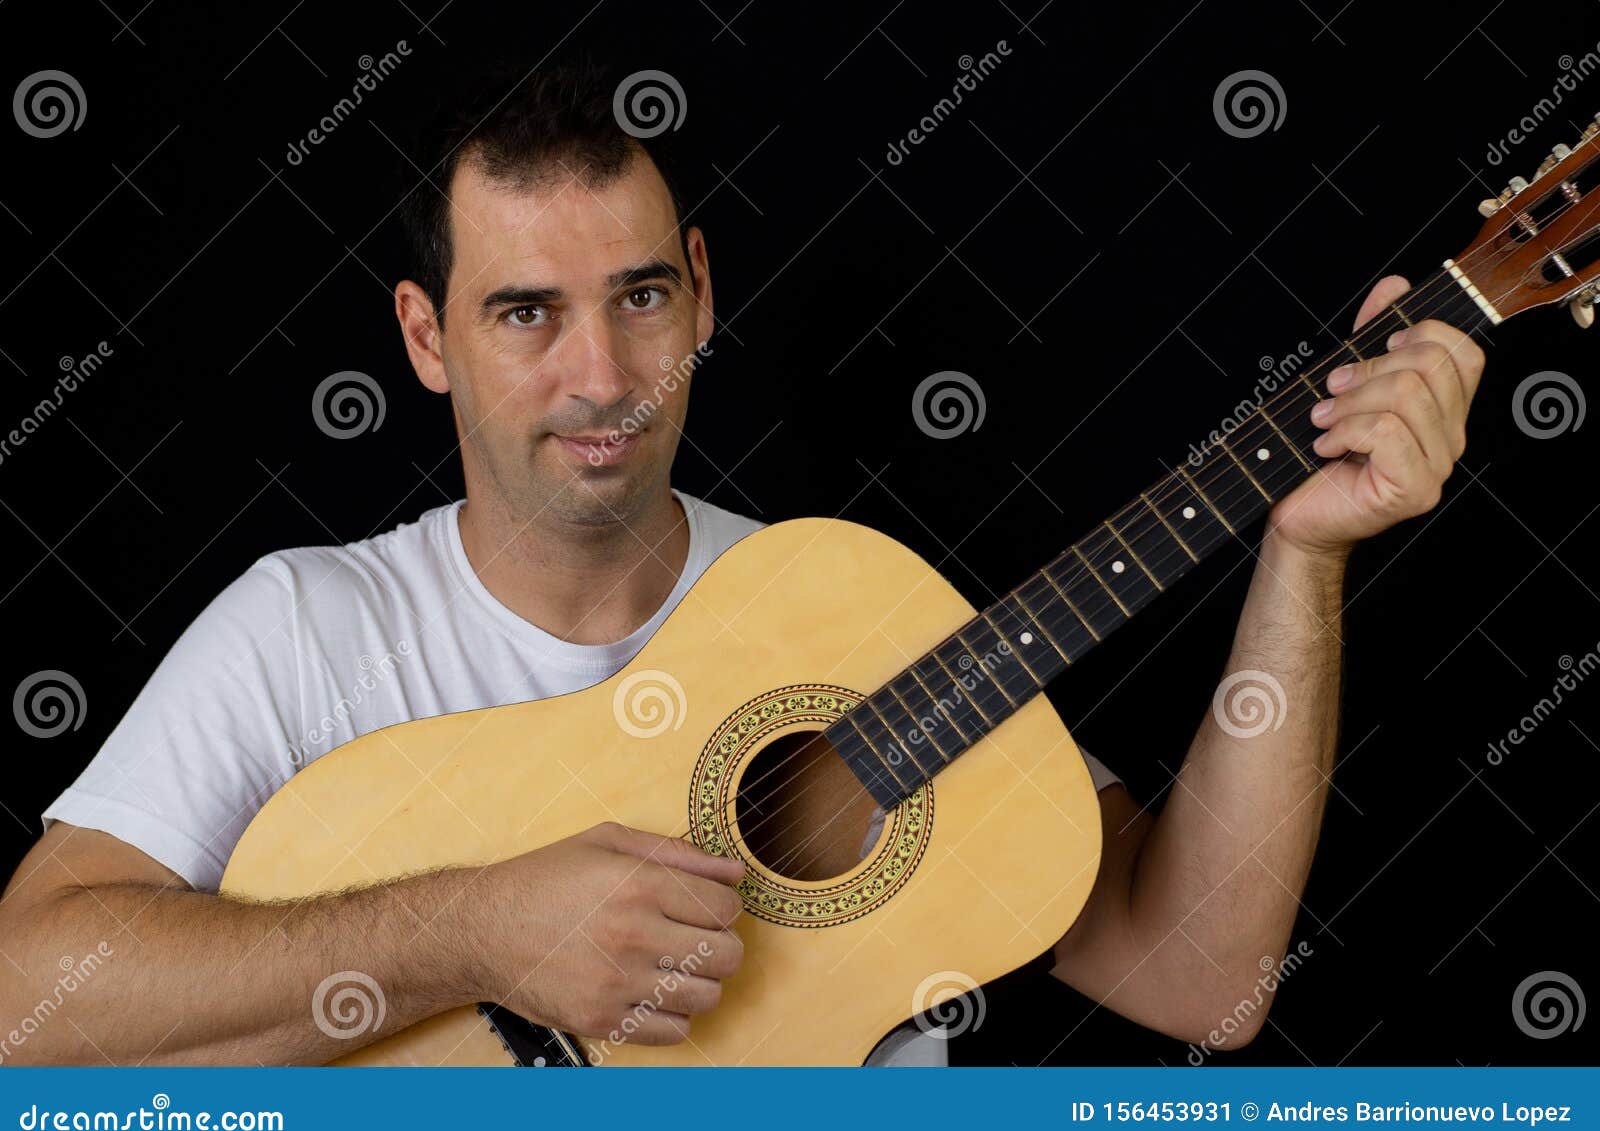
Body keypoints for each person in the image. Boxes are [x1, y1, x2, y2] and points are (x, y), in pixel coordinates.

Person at [0, 63, 1482, 1066]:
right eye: (525, 313)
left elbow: (1204, 977)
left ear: (702, 294)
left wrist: (1302, 557)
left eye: (641, 295)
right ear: (424, 337)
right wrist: (482, 931)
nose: (602, 373)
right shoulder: (311, 631)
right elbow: (25, 996)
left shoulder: (854, 608)